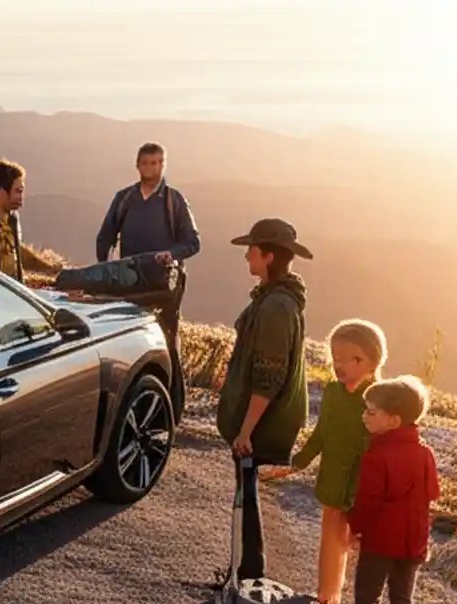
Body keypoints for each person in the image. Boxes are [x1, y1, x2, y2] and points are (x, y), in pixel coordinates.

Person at [262, 319, 389, 604]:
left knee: (361, 559)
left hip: (363, 493)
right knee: (330, 550)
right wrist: (295, 465)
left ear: (373, 362)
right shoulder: (333, 393)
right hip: (332, 487)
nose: (340, 365)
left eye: (352, 359)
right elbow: (320, 435)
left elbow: (382, 451)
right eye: (336, 358)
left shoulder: (378, 403)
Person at [216, 218, 313, 579]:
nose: (247, 257)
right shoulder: (273, 300)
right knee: (246, 493)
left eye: (252, 251)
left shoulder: (276, 308)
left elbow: (268, 376)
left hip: (260, 424)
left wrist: (246, 431)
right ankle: (243, 569)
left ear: (269, 257)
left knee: (247, 496)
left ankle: (247, 573)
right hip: (257, 420)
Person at [332, 375, 440, 604]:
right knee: (403, 600)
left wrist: (354, 528)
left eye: (371, 411)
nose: (364, 416)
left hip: (380, 542)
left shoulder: (376, 456)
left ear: (393, 421)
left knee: (368, 597)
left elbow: (367, 503)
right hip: (413, 543)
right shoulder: (425, 454)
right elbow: (432, 493)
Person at [95, 143, 202, 417]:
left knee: (166, 342)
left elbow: (193, 242)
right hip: (130, 283)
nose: (151, 168)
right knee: (133, 342)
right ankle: (136, 405)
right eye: (146, 163)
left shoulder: (174, 201)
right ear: (138, 165)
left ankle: (170, 409)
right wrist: (105, 271)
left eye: (156, 163)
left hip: (165, 287)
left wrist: (172, 254)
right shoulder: (124, 199)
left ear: (163, 165)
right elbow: (105, 237)